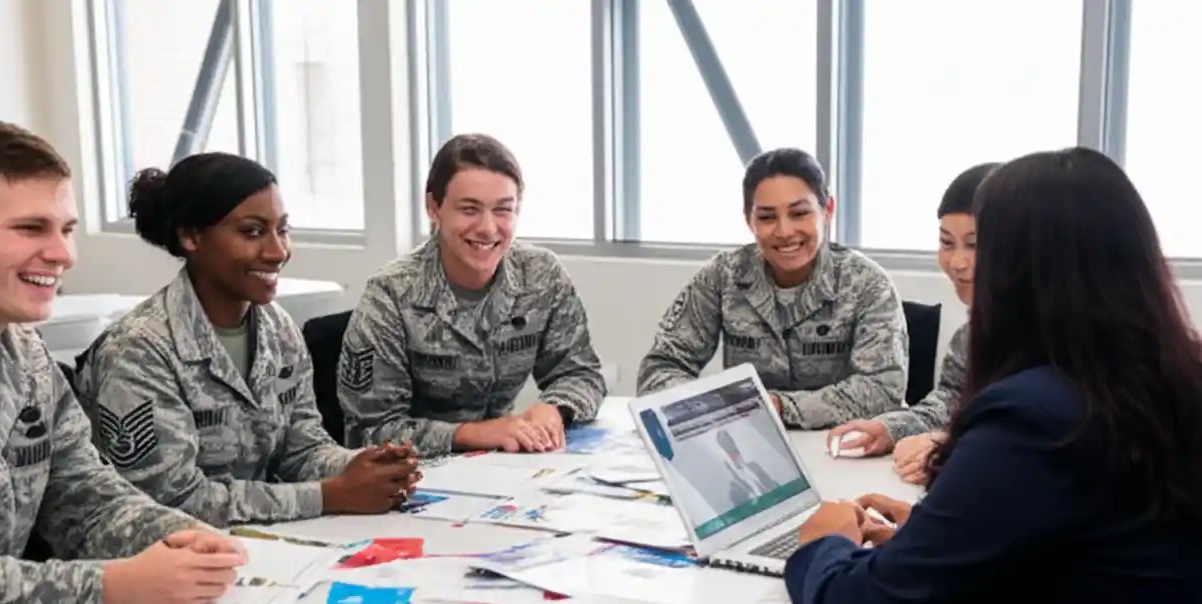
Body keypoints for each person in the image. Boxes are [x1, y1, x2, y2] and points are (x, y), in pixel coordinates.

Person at [786, 148, 1202, 604]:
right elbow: (1093, 543)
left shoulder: (1034, 416)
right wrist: (942, 535)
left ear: (1020, 269)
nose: (963, 265)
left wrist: (824, 543)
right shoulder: (1170, 377)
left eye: (984, 246)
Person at [0, 118, 247, 604]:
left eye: (66, 229)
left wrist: (181, 537)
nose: (62, 254)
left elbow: (83, 496)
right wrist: (109, 585)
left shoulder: (26, 358)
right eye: (31, 228)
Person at [75, 153, 419, 528]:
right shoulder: (138, 350)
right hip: (166, 561)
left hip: (255, 545)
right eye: (252, 232)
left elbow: (300, 449)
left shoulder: (279, 329)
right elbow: (170, 501)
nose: (278, 252)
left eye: (282, 229)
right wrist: (329, 494)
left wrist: (363, 467)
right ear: (191, 236)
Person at [338, 133, 607, 457]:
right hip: (415, 478)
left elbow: (581, 373)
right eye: (470, 209)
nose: (488, 228)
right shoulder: (390, 295)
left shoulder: (540, 275)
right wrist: (475, 434)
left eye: (503, 210)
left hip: (502, 468)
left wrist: (553, 409)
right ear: (433, 208)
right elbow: (370, 431)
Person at [636, 148, 908, 430]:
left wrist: (778, 407)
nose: (785, 231)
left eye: (799, 213)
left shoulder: (867, 284)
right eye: (767, 217)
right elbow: (660, 369)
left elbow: (882, 390)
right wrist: (713, 405)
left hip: (843, 445)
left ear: (827, 211)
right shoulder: (722, 277)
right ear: (748, 219)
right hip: (749, 443)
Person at [826, 163, 998, 483]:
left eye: (974, 245)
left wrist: (953, 447)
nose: (958, 262)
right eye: (947, 243)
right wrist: (888, 428)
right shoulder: (970, 336)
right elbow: (949, 403)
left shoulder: (1057, 339)